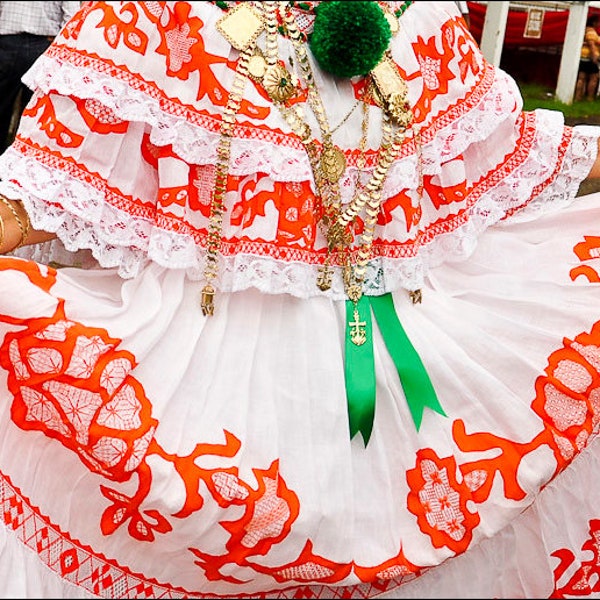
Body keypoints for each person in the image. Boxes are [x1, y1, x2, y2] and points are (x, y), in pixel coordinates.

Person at [2, 1, 600, 598]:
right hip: (214, 392)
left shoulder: (421, 18)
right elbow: (45, 192)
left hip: (416, 380)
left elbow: (502, 153)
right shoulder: (153, 19)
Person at [0, 1, 81, 153]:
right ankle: (20, 165)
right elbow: (73, 19)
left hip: (7, 44)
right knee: (35, 114)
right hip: (43, 46)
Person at [575, 13, 600, 101]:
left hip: (582, 56)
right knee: (594, 78)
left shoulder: (584, 30)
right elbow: (592, 45)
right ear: (594, 22)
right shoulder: (591, 32)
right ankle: (590, 98)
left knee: (581, 77)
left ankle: (578, 97)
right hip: (590, 57)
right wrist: (595, 56)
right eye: (598, 22)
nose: (599, 24)